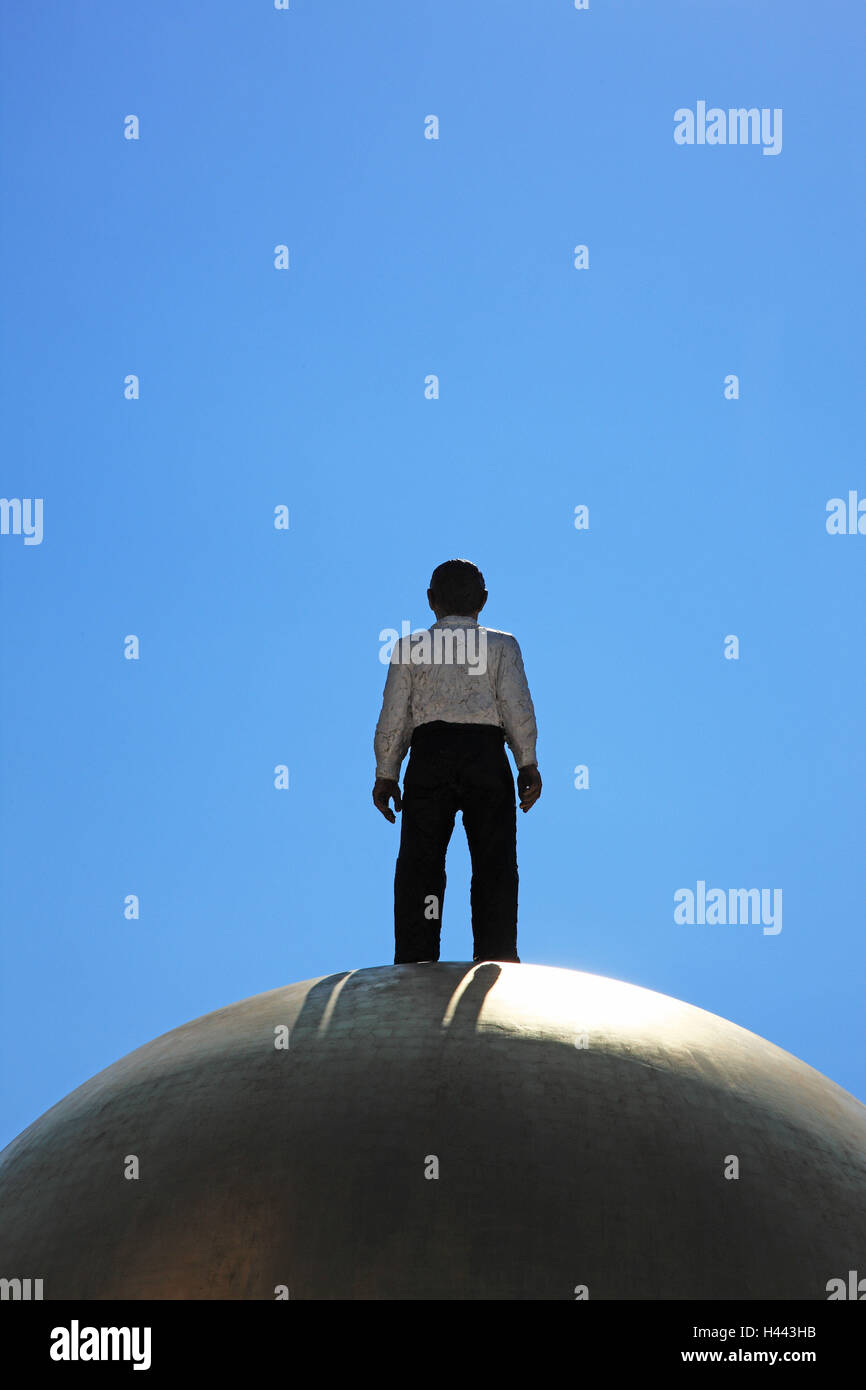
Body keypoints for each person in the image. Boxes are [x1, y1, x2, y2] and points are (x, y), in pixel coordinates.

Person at [372, 559, 541, 964]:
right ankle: (497, 953)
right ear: (483, 600)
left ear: (431, 600)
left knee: (421, 863)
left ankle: (415, 956)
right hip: (486, 757)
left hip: (430, 758)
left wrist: (386, 773)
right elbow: (516, 706)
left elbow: (395, 715)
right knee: (494, 861)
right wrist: (527, 762)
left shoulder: (410, 648)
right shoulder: (503, 646)